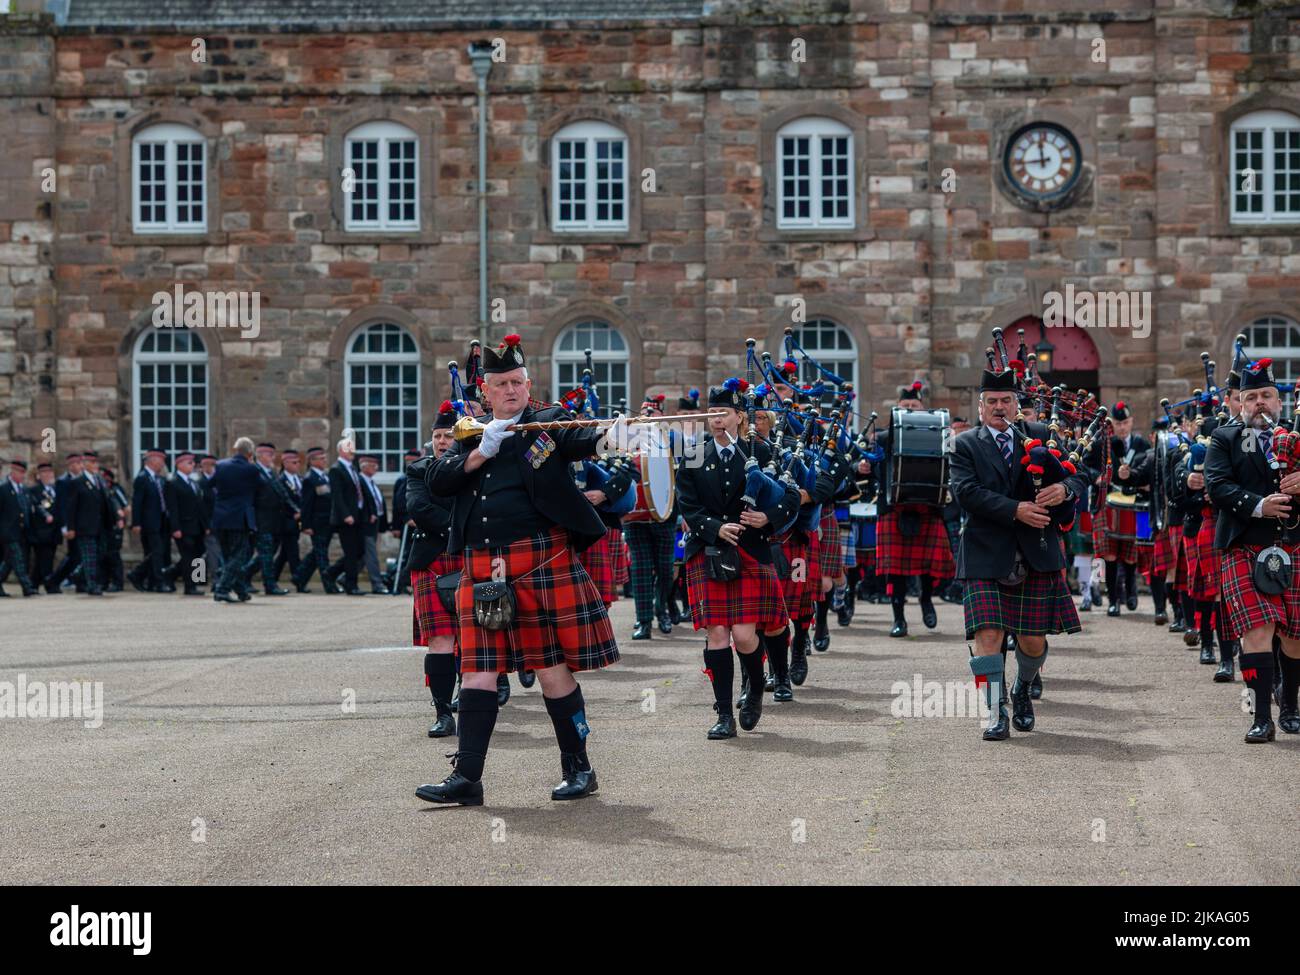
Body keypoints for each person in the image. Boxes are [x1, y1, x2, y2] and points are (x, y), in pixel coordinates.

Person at [416, 334, 620, 805]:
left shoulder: (546, 424)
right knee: (477, 672)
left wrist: (614, 436)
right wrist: (480, 451)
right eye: (501, 384)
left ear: (529, 385)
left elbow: (582, 438)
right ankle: (468, 779)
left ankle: (579, 768)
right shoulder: (469, 430)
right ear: (485, 390)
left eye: (517, 382)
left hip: (540, 563)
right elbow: (437, 480)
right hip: (483, 568)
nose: (510, 391)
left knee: (551, 670)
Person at [950, 365, 1087, 740]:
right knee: (989, 634)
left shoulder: (1041, 436)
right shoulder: (965, 444)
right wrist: (1016, 510)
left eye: (1006, 400)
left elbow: (1080, 473)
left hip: (1036, 551)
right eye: (992, 401)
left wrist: (1066, 491)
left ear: (1016, 404)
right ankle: (994, 711)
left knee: (1032, 640)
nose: (999, 407)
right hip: (985, 552)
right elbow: (966, 492)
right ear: (981, 407)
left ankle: (1022, 688)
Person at [676, 379, 800, 739]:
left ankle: (756, 688)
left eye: (724, 413)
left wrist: (768, 517)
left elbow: (789, 497)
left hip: (750, 550)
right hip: (709, 550)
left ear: (739, 416)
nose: (717, 419)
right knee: (717, 634)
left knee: (745, 636)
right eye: (712, 413)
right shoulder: (695, 453)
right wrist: (715, 527)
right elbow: (688, 504)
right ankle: (723, 714)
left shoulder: (758, 451)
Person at [1204, 359, 1300, 742]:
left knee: (1294, 635)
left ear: (1280, 400)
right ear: (1239, 403)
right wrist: (1261, 504)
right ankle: (1262, 717)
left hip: (1293, 545)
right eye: (1250, 397)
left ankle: (1290, 706)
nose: (1259, 403)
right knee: (1256, 631)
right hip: (1245, 544)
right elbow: (1217, 486)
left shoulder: (1297, 436)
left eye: (1266, 396)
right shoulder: (1224, 438)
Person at [875, 382, 955, 637]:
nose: (910, 409)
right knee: (895, 571)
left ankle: (926, 600)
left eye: (914, 406)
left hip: (929, 507)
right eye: (905, 406)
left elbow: (952, 461)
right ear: (898, 409)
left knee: (929, 567)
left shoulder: (943, 432)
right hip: (895, 506)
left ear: (923, 408)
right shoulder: (885, 436)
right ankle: (899, 619)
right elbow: (873, 464)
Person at [406, 404, 461, 738]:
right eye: (438, 436)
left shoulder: (475, 468)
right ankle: (443, 713)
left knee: (472, 640)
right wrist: (461, 528)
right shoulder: (419, 470)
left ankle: (472, 700)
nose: (442, 441)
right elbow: (418, 508)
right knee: (440, 640)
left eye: (449, 435)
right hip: (431, 559)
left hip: (468, 558)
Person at [1087, 401, 1150, 616]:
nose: (1122, 427)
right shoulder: (1102, 443)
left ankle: (1131, 589)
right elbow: (1084, 465)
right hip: (1107, 503)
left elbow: (1151, 468)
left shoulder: (1142, 445)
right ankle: (1110, 598)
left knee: (1132, 553)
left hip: (1135, 504)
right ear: (1112, 423)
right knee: (1106, 553)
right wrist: (1096, 477)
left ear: (1131, 422)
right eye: (1118, 423)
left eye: (1125, 423)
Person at [210, 437, 262, 604]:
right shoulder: (251, 469)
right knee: (239, 556)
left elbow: (209, 484)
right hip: (239, 518)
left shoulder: (221, 465)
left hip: (221, 516)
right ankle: (222, 589)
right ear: (250, 453)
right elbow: (261, 487)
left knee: (229, 556)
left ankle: (240, 590)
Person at [63, 450, 119, 596]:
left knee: (98, 555)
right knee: (90, 556)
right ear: (84, 464)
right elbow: (71, 507)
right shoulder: (77, 483)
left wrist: (115, 519)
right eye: (92, 462)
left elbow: (107, 503)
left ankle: (80, 577)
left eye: (96, 462)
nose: (95, 465)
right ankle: (92, 585)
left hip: (101, 526)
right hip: (85, 526)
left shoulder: (99, 481)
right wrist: (71, 527)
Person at [243, 443, 294, 596]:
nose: (273, 457)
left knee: (268, 554)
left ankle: (241, 575)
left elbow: (283, 494)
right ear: (260, 455)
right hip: (261, 519)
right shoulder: (254, 472)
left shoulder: (272, 472)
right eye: (270, 454)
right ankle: (270, 586)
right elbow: (250, 498)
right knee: (266, 554)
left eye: (273, 454)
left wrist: (295, 510)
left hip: (275, 520)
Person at [325, 432, 371, 596]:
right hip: (346, 518)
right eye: (349, 447)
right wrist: (345, 515)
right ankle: (351, 585)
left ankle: (331, 573)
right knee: (351, 553)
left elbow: (361, 492)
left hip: (357, 515)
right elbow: (337, 496)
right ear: (341, 450)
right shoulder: (336, 470)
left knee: (358, 551)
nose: (353, 450)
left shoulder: (353, 468)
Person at [292, 447, 337, 594]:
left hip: (327, 522)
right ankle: (329, 585)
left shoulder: (325, 476)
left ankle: (299, 577)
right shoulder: (310, 478)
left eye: (325, 458)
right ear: (312, 461)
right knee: (322, 555)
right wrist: (306, 525)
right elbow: (306, 504)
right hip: (316, 523)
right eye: (321, 458)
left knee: (316, 554)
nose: (325, 460)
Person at [129, 448, 174, 593]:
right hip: (149, 521)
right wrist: (136, 523)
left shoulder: (158, 478)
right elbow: (137, 502)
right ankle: (154, 580)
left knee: (154, 552)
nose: (163, 464)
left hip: (161, 520)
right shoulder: (142, 478)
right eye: (161, 460)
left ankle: (147, 580)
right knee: (156, 551)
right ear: (152, 460)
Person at [166, 451, 209, 595]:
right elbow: (172, 508)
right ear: (179, 464)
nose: (193, 466)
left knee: (200, 553)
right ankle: (190, 586)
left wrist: (206, 525)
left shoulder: (194, 482)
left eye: (193, 463)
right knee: (188, 555)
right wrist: (175, 527)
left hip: (198, 525)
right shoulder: (173, 482)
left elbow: (200, 506)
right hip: (183, 526)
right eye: (189, 463)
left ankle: (174, 574)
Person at [44, 452, 85, 593]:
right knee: (75, 556)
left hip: (82, 524)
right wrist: (65, 526)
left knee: (79, 556)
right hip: (71, 524)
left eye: (80, 463)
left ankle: (80, 582)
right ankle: (54, 580)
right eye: (76, 464)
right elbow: (61, 506)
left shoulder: (83, 480)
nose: (79, 466)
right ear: (70, 465)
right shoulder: (63, 481)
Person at [0, 458, 38, 597]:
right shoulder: (3, 489)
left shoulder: (23, 490)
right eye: (20, 472)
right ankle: (27, 587)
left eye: (24, 472)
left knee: (9, 562)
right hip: (8, 532)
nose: (22, 475)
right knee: (19, 560)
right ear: (13, 471)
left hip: (21, 532)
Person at [390, 447, 422, 596]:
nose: (409, 464)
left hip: (419, 522)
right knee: (406, 556)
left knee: (411, 555)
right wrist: (402, 521)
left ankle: (403, 582)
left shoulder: (419, 475)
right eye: (407, 461)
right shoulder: (403, 479)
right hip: (409, 523)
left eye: (412, 461)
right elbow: (398, 504)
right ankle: (398, 582)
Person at [272, 449, 305, 586]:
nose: (297, 465)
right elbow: (283, 500)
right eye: (294, 462)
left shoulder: (300, 479)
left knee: (284, 553)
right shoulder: (281, 480)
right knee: (293, 551)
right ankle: (298, 580)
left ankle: (272, 578)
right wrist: (294, 512)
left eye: (298, 462)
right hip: (287, 520)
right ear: (285, 463)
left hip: (298, 520)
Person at [25, 463, 60, 591]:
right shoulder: (34, 490)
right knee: (45, 559)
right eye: (45, 473)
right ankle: (49, 584)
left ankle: (33, 583)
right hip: (41, 531)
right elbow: (36, 508)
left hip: (54, 530)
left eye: (50, 472)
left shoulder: (56, 489)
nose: (48, 475)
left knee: (44, 558)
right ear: (39, 476)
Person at [357, 454, 388, 594]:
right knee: (371, 555)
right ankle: (377, 584)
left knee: (362, 555)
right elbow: (359, 504)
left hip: (375, 523)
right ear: (364, 466)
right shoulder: (359, 481)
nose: (376, 467)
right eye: (372, 465)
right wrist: (368, 515)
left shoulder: (371, 482)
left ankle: (341, 576)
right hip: (365, 524)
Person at [100, 468, 130, 591]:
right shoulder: (101, 490)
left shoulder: (115, 490)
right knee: (103, 555)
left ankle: (117, 582)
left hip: (114, 527)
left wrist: (120, 519)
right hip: (103, 527)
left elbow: (126, 507)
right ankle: (104, 581)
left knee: (114, 555)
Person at [198, 454, 223, 580]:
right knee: (208, 552)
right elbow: (201, 507)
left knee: (210, 552)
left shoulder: (219, 482)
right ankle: (212, 579)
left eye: (213, 465)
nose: (210, 468)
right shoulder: (199, 483)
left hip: (220, 522)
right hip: (205, 523)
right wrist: (206, 525)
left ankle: (200, 579)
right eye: (206, 465)